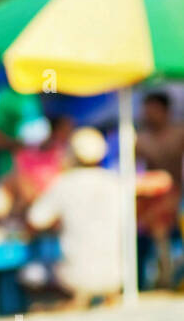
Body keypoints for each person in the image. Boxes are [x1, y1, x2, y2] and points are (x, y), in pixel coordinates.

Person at [26, 126, 122, 303]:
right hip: (116, 277)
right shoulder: (114, 182)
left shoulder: (64, 183)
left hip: (74, 278)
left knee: (31, 273)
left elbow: (35, 220)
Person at [136, 91, 184, 287]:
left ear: (166, 111)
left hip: (177, 195)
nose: (149, 115)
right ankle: (156, 276)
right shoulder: (140, 139)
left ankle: (169, 274)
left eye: (153, 110)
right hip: (150, 198)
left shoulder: (179, 133)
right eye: (147, 111)